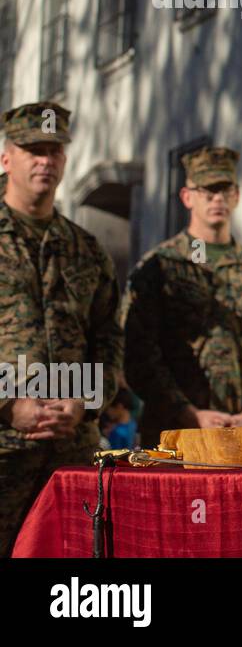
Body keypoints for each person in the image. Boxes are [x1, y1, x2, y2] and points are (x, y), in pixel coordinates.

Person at [0, 102, 122, 556]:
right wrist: (9, 403)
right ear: (6, 158)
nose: (45, 161)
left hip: (70, 452)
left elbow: (109, 339)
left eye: (54, 150)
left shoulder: (85, 249)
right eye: (33, 149)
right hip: (4, 448)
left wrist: (85, 401)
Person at [122, 146, 242, 447]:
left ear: (237, 195)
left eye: (225, 189)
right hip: (173, 436)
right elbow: (138, 355)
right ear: (187, 196)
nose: (217, 198)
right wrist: (188, 413)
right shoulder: (159, 268)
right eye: (207, 190)